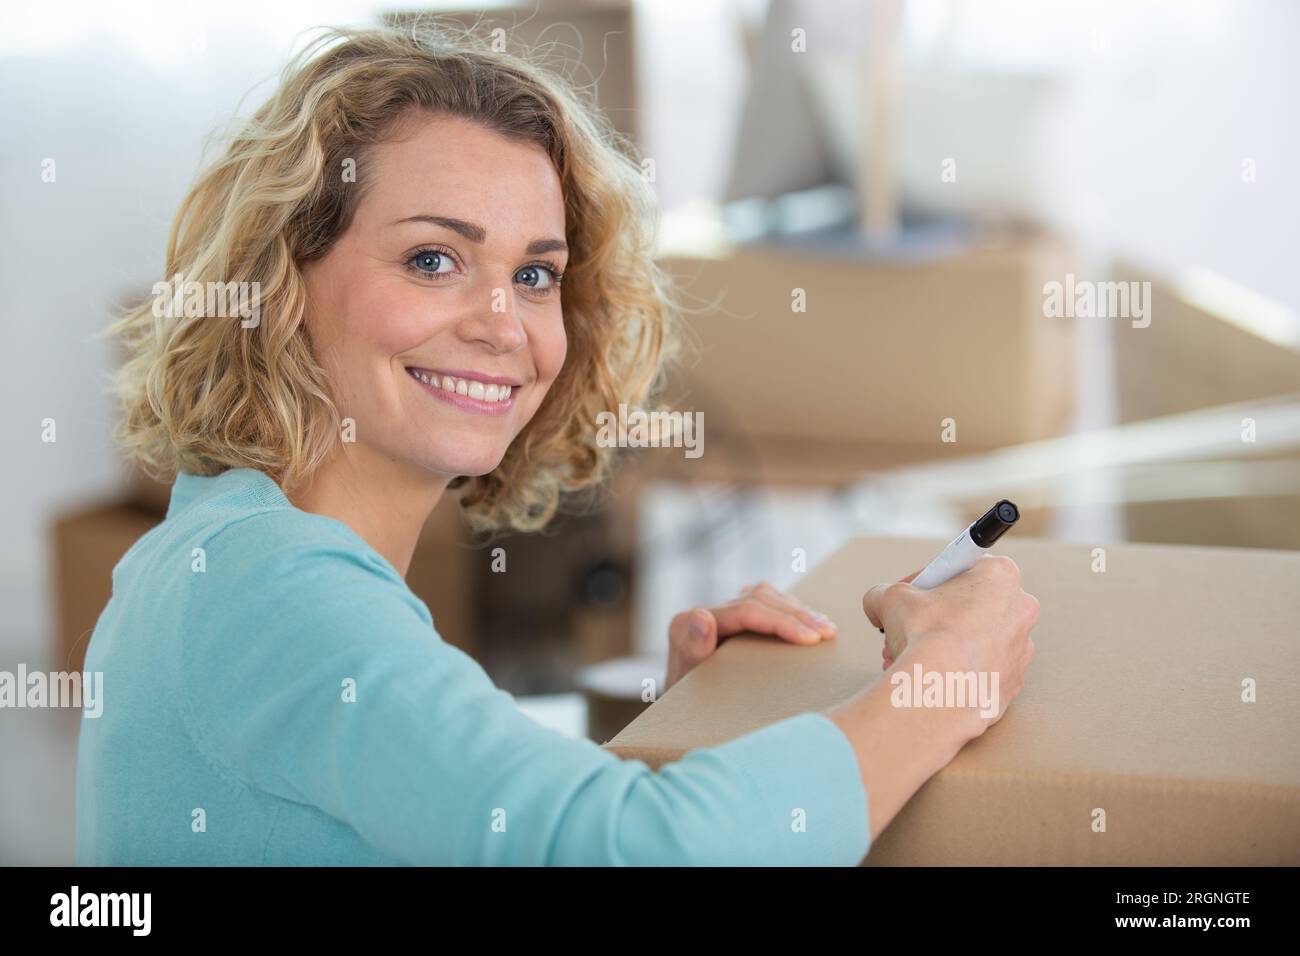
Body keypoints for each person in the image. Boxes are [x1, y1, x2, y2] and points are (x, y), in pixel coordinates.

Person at [76, 23, 1037, 865]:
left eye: (535, 275)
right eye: (433, 258)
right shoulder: (273, 592)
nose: (505, 325)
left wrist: (682, 723)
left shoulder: (229, 550)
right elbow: (632, 856)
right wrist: (943, 686)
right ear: (283, 282)